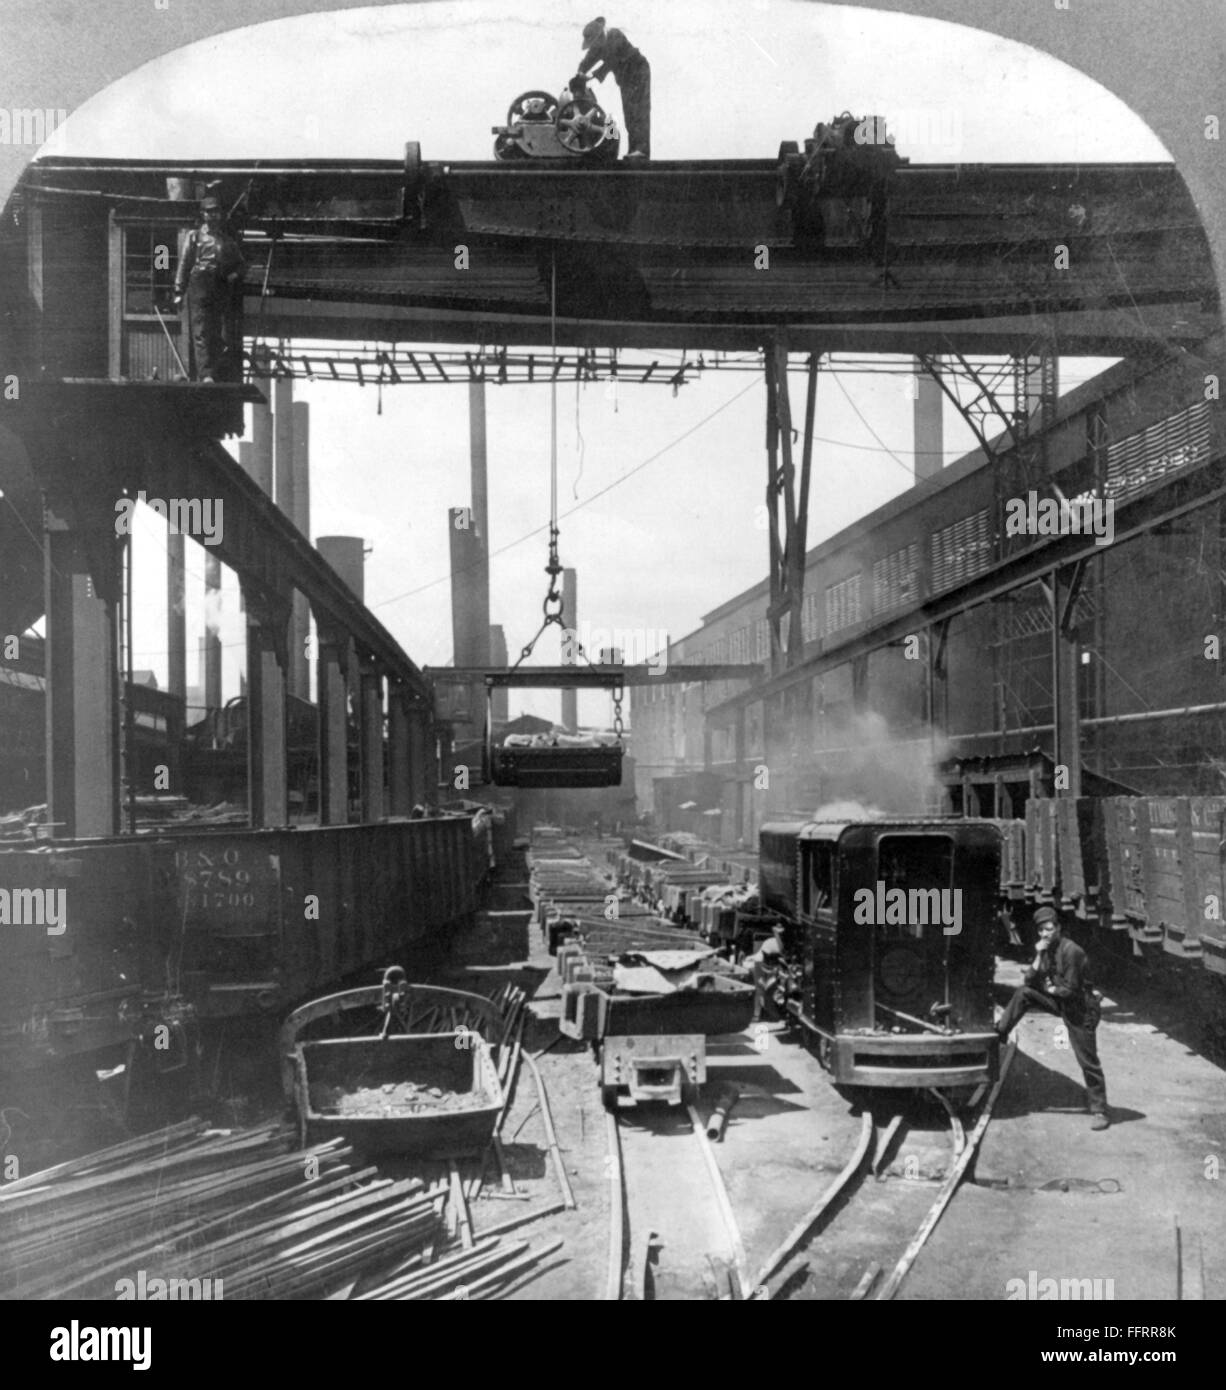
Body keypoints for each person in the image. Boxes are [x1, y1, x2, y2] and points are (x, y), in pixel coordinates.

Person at [996, 906, 1110, 1129]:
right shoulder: (1046, 949)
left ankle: (1100, 1111)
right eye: (1041, 931)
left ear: (1058, 928)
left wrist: (1048, 989)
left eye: (1049, 929)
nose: (1044, 934)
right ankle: (1000, 1032)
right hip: (1061, 1002)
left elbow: (1070, 990)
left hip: (1080, 1009)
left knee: (1088, 1061)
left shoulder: (1072, 951)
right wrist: (1038, 954)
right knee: (1024, 994)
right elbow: (1028, 981)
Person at [173, 194, 245, 382]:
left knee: (217, 330)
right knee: (201, 330)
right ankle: (205, 374)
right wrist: (179, 290)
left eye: (216, 212)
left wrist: (232, 276)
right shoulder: (193, 236)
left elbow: (241, 265)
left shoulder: (226, 241)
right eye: (209, 212)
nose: (213, 216)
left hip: (219, 285)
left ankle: (217, 371)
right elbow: (184, 263)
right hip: (199, 284)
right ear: (203, 214)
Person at [574, 16, 651, 158]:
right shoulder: (598, 45)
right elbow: (586, 62)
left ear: (599, 37)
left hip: (639, 72)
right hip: (626, 78)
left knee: (639, 112)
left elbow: (611, 60)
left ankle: (642, 151)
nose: (593, 47)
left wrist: (592, 76)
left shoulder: (614, 35)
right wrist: (580, 73)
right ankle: (634, 150)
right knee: (629, 113)